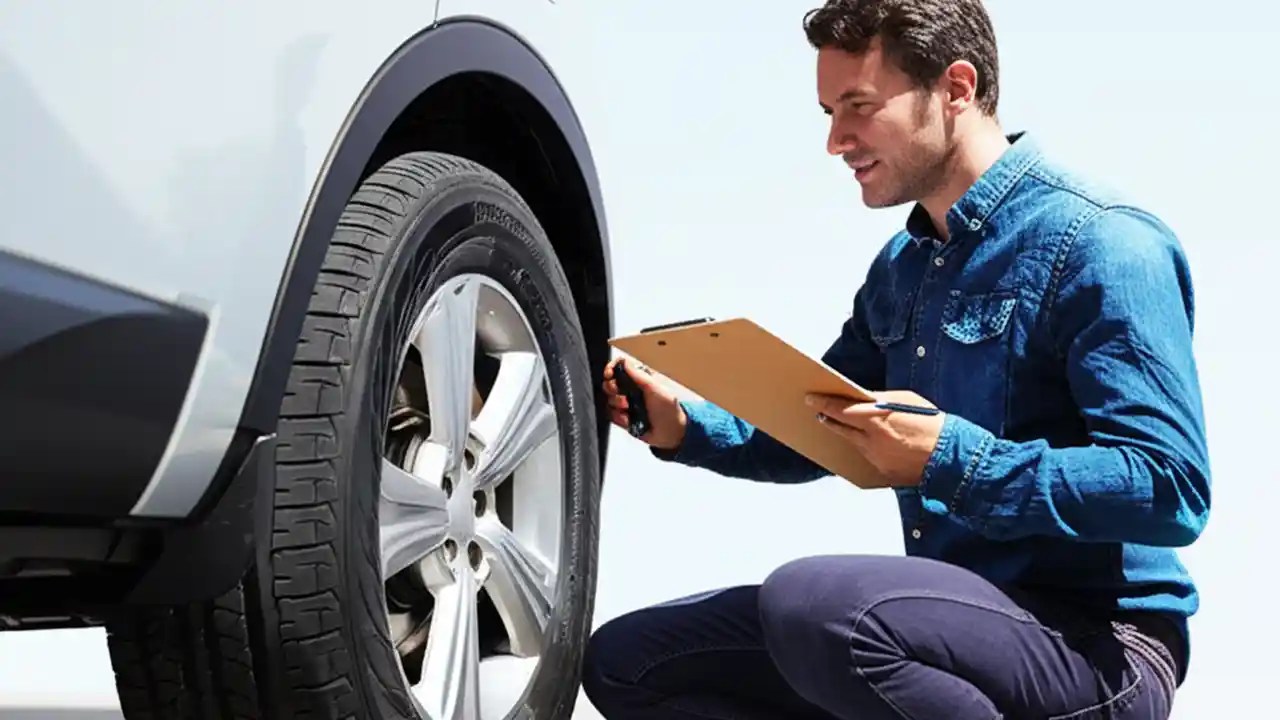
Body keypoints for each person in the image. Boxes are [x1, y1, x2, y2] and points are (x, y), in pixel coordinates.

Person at [580, 1, 1211, 718]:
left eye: (858, 106)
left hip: (1100, 648)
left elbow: (1171, 489)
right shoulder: (905, 268)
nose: (835, 140)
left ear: (956, 89)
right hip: (948, 637)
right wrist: (687, 427)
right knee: (632, 661)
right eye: (827, 111)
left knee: (816, 606)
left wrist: (950, 456)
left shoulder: (1103, 244)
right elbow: (823, 420)